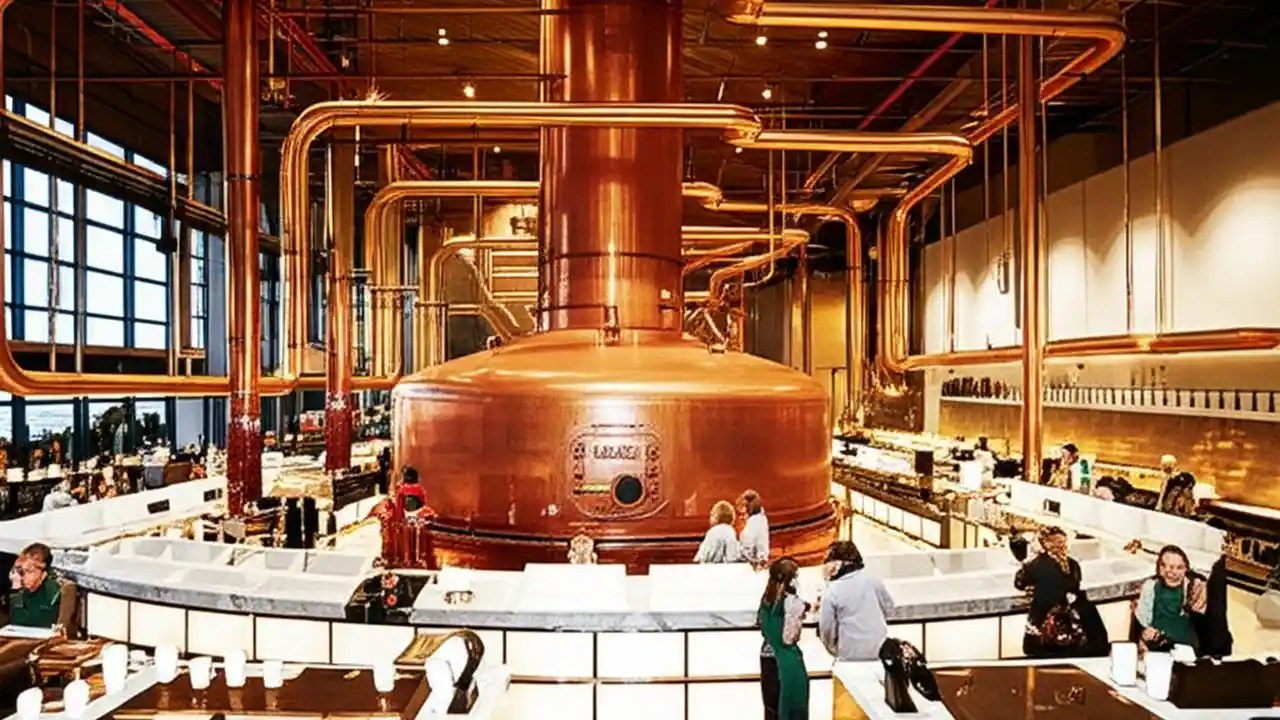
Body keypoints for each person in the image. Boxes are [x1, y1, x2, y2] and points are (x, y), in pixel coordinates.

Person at [1014, 526, 1107, 657]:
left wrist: (1028, 560)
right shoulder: (1073, 565)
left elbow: (1019, 583)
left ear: (1044, 544)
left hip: (1044, 624)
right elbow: (1073, 586)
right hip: (1071, 625)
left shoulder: (1036, 564)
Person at [818, 541, 894, 661]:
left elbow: (826, 629)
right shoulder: (873, 580)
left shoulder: (832, 591)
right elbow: (889, 610)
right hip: (879, 654)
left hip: (849, 656)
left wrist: (835, 650)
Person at [758, 557, 808, 720]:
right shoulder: (793, 603)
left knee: (771, 709)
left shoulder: (766, 599)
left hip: (766, 658)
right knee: (791, 707)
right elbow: (789, 637)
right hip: (786, 662)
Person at [1133, 545, 1207, 652]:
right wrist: (1145, 634)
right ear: (1159, 568)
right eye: (1165, 566)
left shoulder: (1193, 588)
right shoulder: (1150, 588)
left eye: (1179, 568)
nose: (1171, 572)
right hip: (1159, 648)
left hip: (1187, 650)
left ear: (1186, 569)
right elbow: (1141, 625)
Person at [8, 543, 62, 629]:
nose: (24, 576)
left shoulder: (53, 592)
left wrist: (16, 593)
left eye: (29, 571)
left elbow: (23, 622)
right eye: (22, 570)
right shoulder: (24, 589)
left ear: (44, 574)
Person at [738, 490, 770, 569]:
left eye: (743, 514)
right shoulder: (761, 519)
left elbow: (747, 548)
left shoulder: (754, 522)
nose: (741, 517)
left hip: (753, 566)